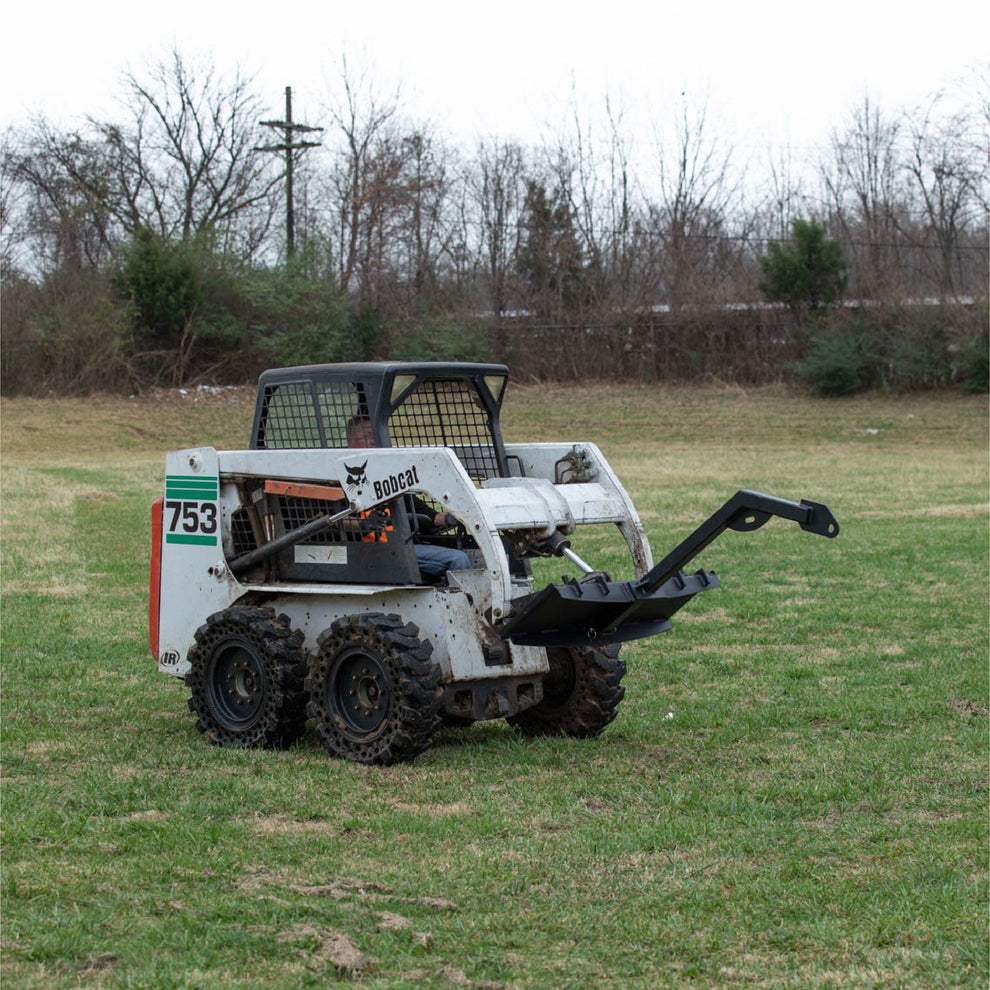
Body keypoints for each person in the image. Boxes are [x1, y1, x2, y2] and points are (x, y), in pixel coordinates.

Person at [346, 414, 470, 581]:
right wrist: (363, 524)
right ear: (350, 440)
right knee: (458, 559)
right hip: (370, 552)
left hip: (400, 546)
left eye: (376, 435)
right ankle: (462, 605)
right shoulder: (340, 479)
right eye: (368, 436)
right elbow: (330, 522)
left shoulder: (388, 478)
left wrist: (457, 517)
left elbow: (428, 515)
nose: (374, 441)